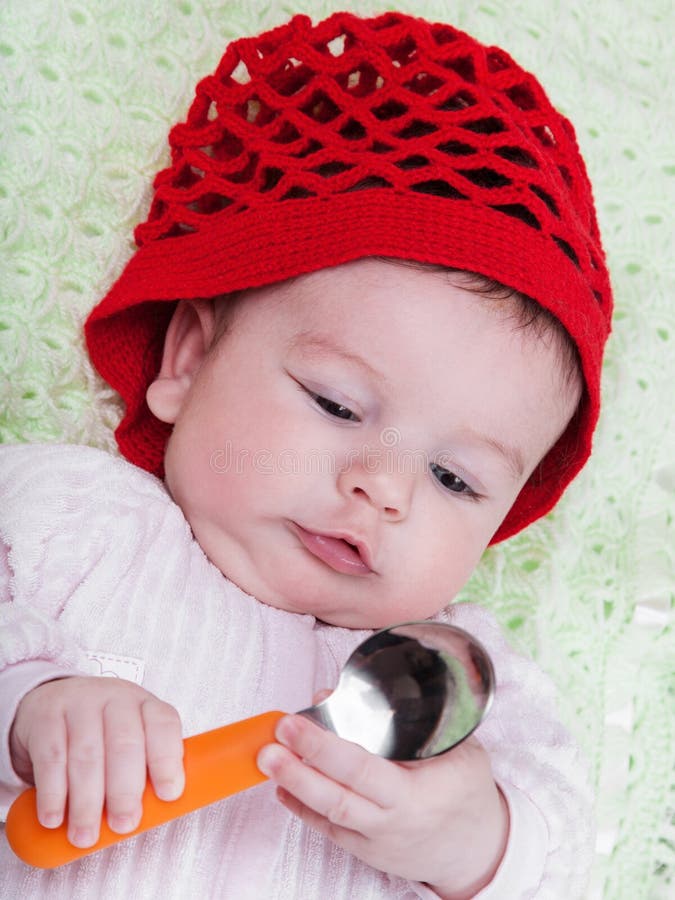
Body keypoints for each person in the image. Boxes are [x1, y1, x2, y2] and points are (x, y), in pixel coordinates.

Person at [0, 10, 612, 899]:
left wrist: (470, 840)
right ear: (188, 359)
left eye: (454, 478)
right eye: (336, 405)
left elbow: (562, 852)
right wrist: (27, 700)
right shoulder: (73, 522)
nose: (384, 487)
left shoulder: (454, 679)